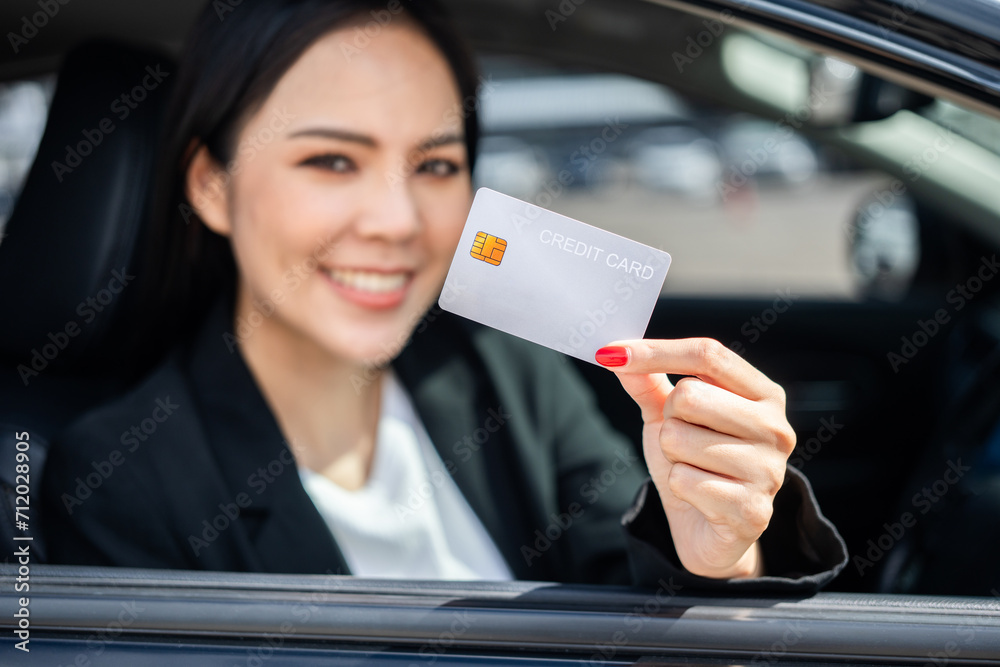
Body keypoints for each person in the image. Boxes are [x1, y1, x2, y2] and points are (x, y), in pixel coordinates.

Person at [41, 0, 847, 590]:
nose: (398, 222)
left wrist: (719, 552)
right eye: (331, 160)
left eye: (434, 166)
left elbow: (633, 580)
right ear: (212, 185)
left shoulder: (497, 364)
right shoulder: (124, 475)